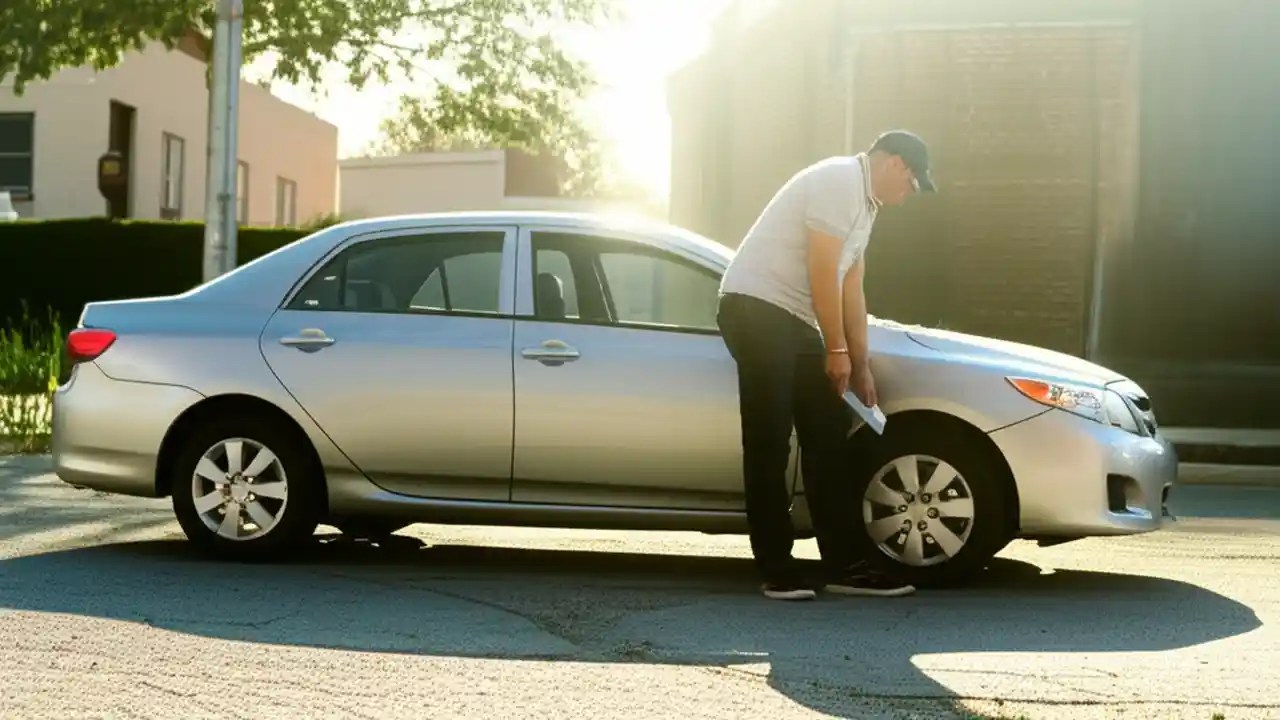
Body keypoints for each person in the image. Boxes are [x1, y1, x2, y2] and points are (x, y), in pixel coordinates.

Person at [716, 130, 937, 600]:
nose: (908, 194)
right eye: (913, 181)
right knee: (769, 439)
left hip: (794, 319)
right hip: (756, 307)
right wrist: (834, 349)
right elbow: (821, 271)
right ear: (895, 164)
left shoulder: (866, 205)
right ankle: (776, 568)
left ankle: (845, 565)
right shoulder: (838, 180)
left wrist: (860, 365)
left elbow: (851, 287)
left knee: (826, 437)